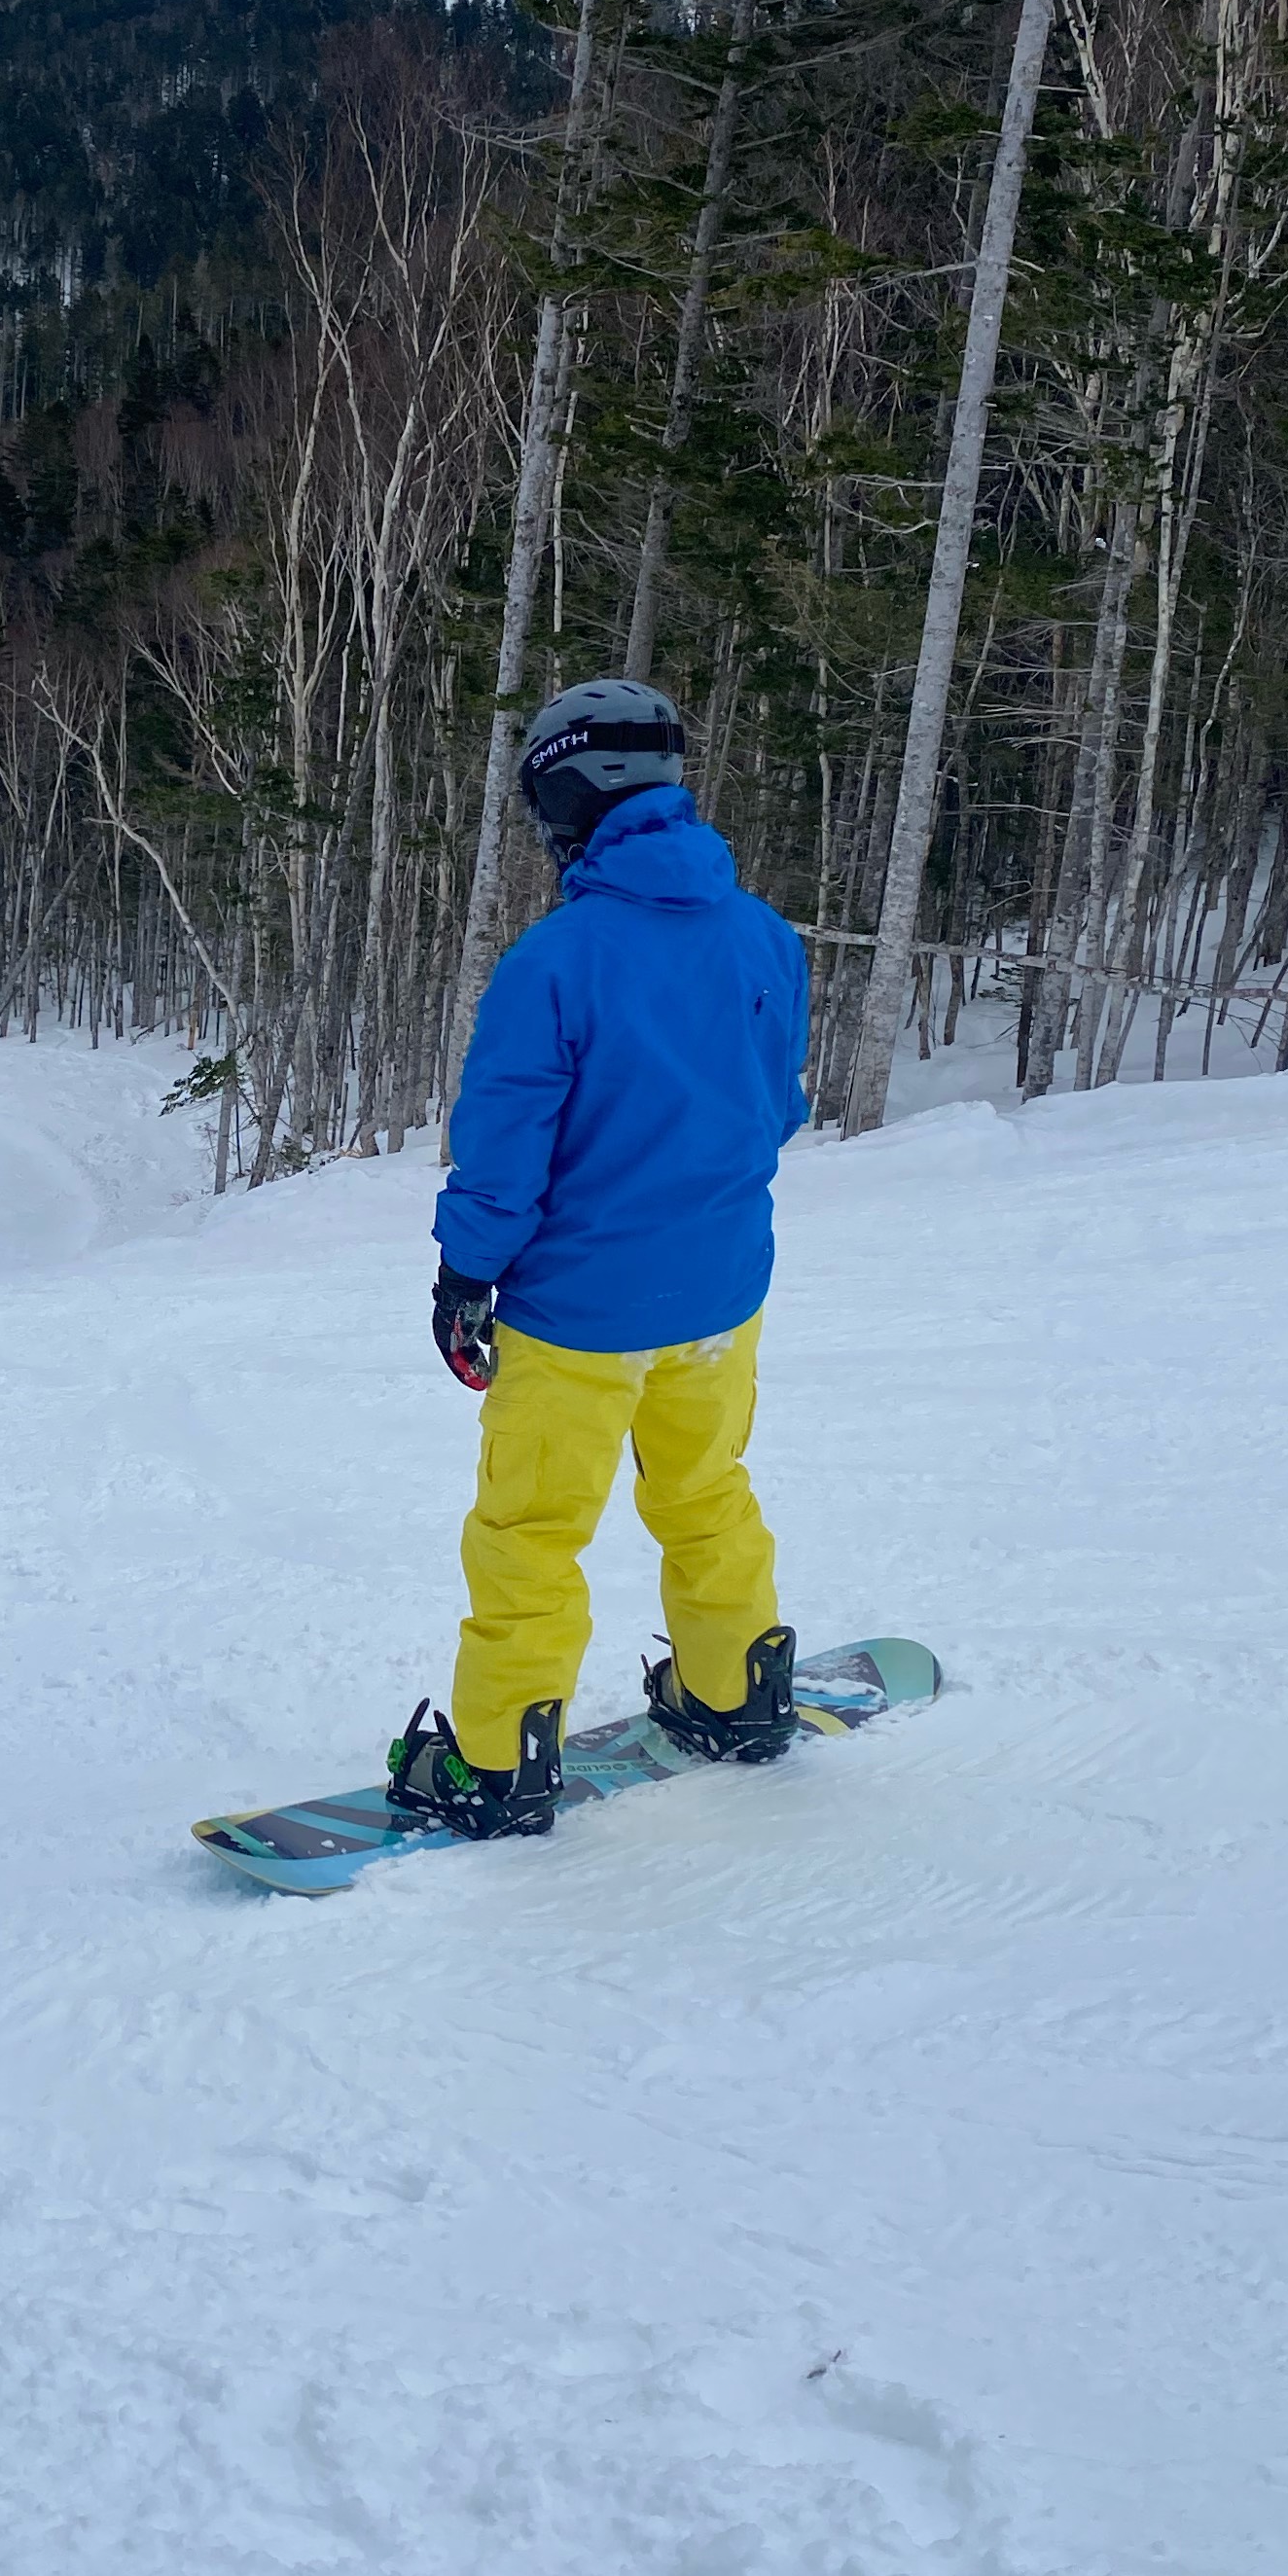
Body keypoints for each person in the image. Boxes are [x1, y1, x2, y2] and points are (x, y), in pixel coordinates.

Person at [389, 679, 812, 1842]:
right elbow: (775, 1110)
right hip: (723, 1295)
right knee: (706, 1491)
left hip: (577, 1314)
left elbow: (502, 1152)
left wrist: (465, 1274)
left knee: (533, 1534)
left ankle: (499, 1762)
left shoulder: (557, 961)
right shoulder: (764, 937)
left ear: (567, 800)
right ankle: (736, 1693)